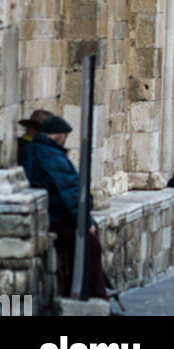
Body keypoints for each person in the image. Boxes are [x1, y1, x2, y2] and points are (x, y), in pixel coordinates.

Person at [24, 115, 108, 299]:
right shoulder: (50, 155)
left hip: (54, 215)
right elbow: (69, 194)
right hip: (55, 218)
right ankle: (95, 298)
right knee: (90, 245)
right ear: (60, 137)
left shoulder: (39, 150)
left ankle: (79, 292)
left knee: (84, 248)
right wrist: (87, 222)